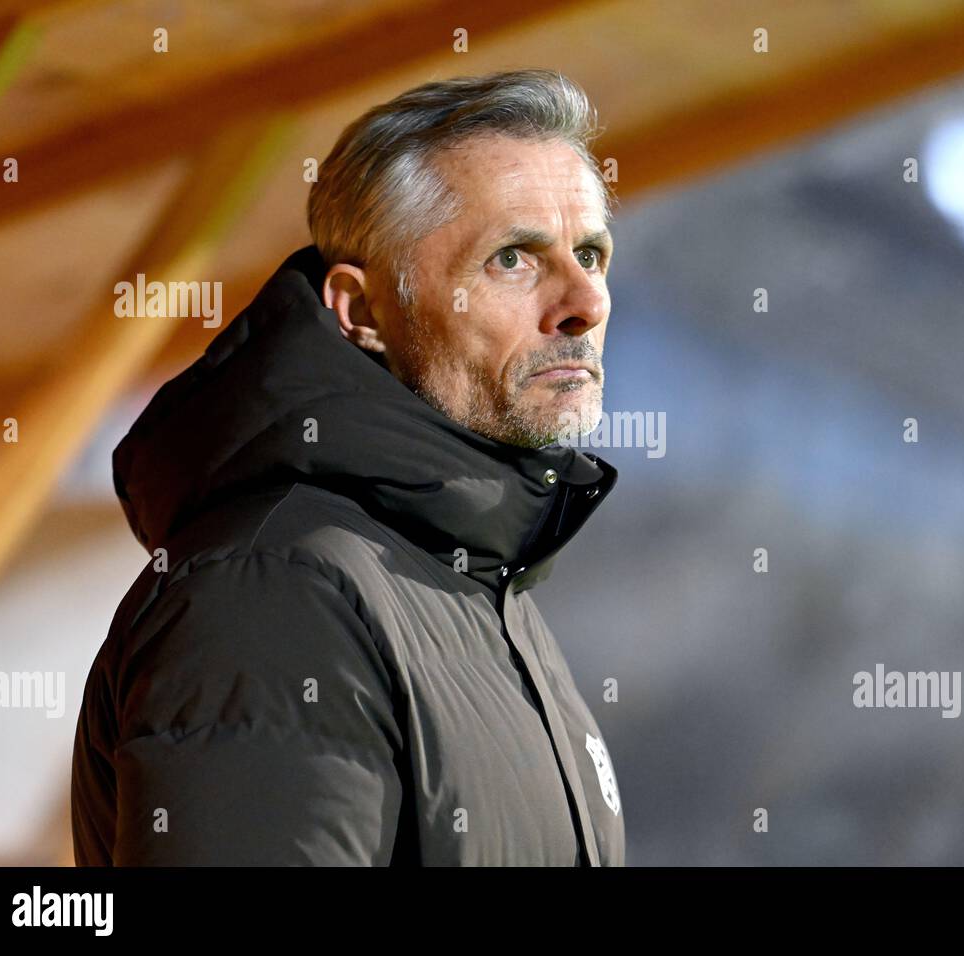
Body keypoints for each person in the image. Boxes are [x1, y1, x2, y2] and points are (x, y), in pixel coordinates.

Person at [70, 68, 625, 865]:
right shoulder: (273, 590)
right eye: (512, 258)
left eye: (592, 254)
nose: (586, 302)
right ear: (363, 311)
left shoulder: (478, 587)